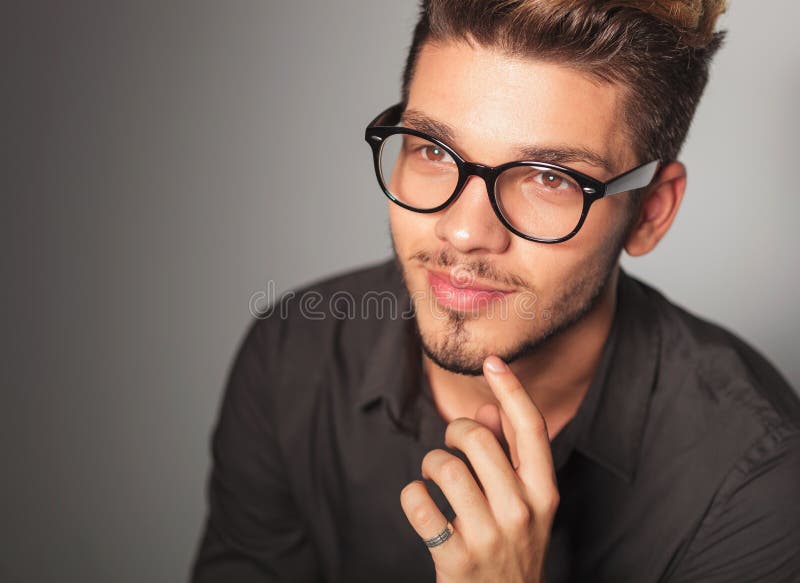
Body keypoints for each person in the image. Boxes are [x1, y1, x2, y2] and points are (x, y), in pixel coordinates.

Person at [190, 1, 800, 581]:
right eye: (432, 148)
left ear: (650, 213)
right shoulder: (292, 357)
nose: (461, 231)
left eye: (548, 177)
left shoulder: (757, 480)